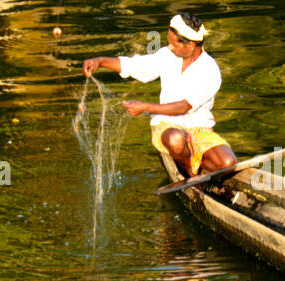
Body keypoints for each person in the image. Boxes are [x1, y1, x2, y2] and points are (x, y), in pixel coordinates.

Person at [83, 12, 237, 179]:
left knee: (228, 163)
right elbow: (136, 66)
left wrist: (145, 107)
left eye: (174, 44)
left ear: (190, 45)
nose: (170, 47)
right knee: (175, 139)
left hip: (199, 128)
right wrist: (100, 61)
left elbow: (184, 106)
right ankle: (192, 174)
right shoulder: (168, 55)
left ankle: (192, 160)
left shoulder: (210, 70)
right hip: (167, 125)